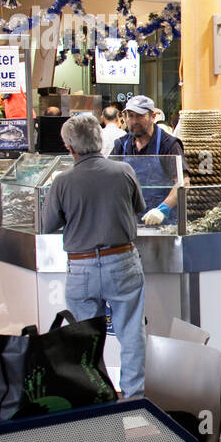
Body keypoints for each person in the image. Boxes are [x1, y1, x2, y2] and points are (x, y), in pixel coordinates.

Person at [41, 113, 148, 396]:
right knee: (131, 332)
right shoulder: (124, 171)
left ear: (69, 147)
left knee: (86, 338)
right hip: (122, 261)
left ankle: (95, 395)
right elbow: (139, 206)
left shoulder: (62, 182)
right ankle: (134, 395)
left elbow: (47, 224)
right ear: (100, 140)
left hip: (81, 267)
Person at [110, 95, 186, 226]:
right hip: (129, 221)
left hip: (163, 223)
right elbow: (107, 177)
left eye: (140, 116)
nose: (134, 121)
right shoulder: (121, 145)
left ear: (153, 117)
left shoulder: (168, 145)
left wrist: (163, 209)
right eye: (130, 116)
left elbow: (183, 181)